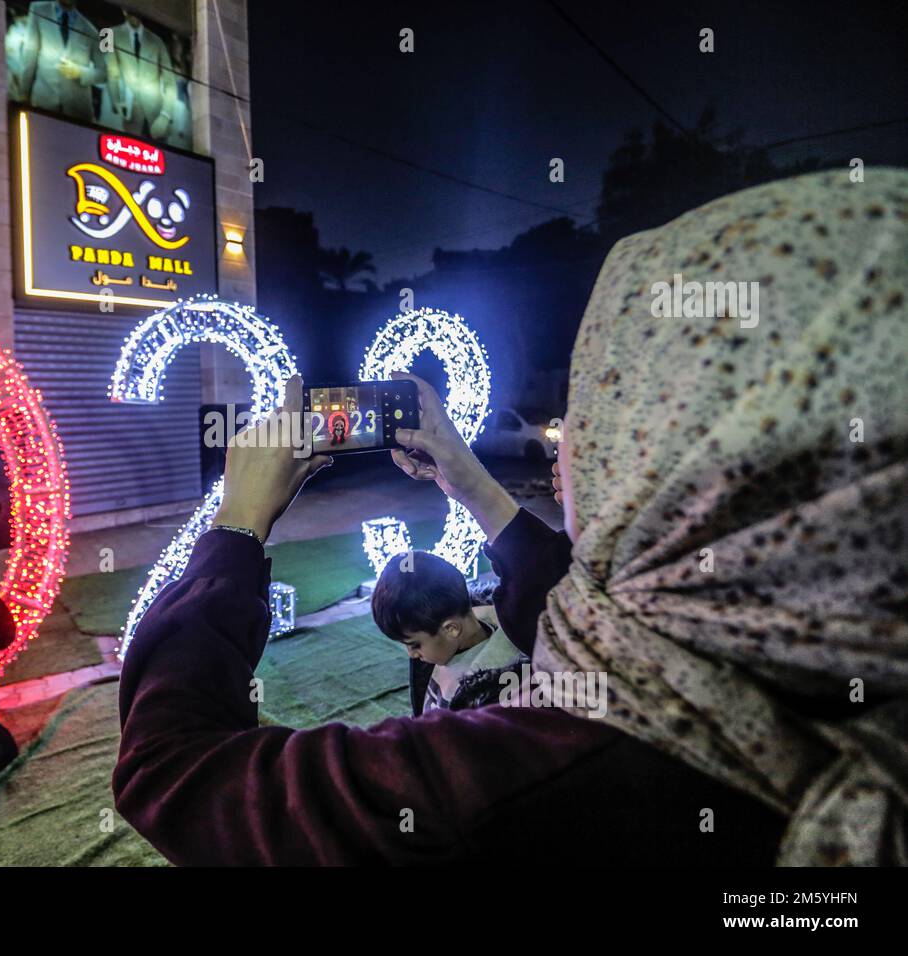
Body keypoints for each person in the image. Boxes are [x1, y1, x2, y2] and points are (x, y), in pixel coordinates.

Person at [113, 169, 908, 865]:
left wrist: (239, 526)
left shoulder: (560, 763)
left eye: (608, 415)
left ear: (699, 469)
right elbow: (580, 608)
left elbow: (175, 775)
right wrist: (471, 480)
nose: (565, 457)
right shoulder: (809, 665)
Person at [371, 550, 525, 715]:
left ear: (451, 629)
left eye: (414, 645)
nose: (411, 654)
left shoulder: (501, 690)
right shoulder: (436, 633)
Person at [14, 1, 105, 121]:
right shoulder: (39, 10)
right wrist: (23, 94)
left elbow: (104, 73)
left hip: (77, 110)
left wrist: (80, 72)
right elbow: (30, 54)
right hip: (44, 101)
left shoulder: (90, 30)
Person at [105, 9, 176, 141]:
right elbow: (110, 71)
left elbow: (170, 83)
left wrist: (165, 115)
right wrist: (115, 101)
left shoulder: (157, 42)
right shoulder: (108, 34)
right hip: (131, 116)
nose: (135, 15)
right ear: (124, 10)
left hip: (157, 117)